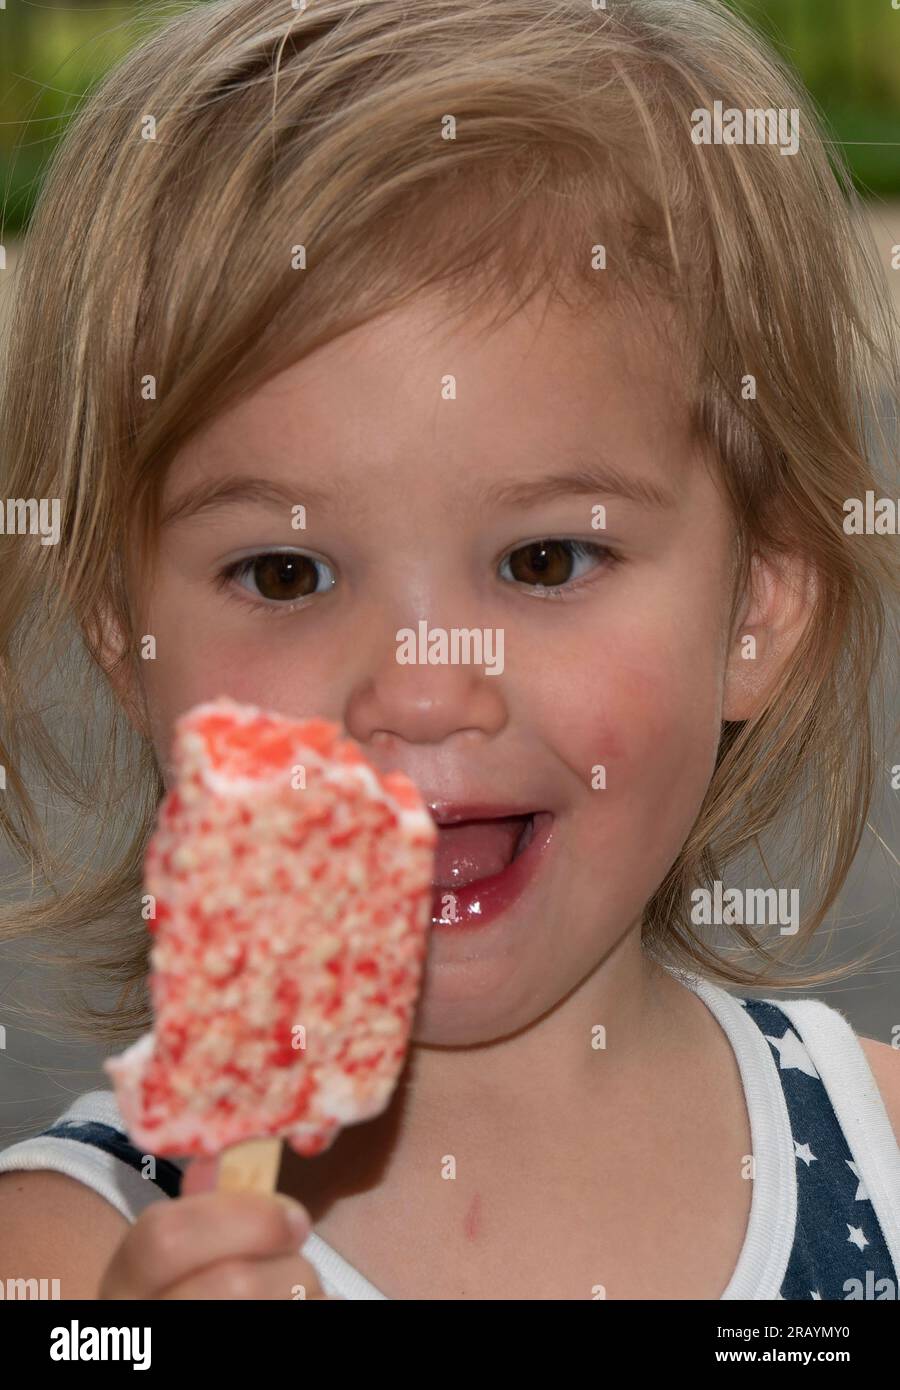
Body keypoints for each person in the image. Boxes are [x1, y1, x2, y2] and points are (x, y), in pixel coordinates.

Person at [0, 0, 898, 1301]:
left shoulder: (877, 1153)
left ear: (756, 601)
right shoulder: (72, 1263)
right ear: (124, 640)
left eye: (544, 561)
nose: (420, 685)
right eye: (286, 572)